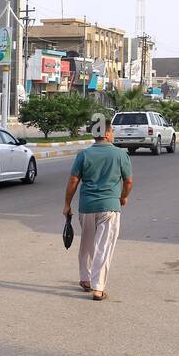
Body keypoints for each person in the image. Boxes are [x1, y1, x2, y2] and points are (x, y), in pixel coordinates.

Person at [63, 118, 133, 302]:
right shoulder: (120, 154)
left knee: (86, 243)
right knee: (104, 246)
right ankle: (98, 288)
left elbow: (73, 181)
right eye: (113, 131)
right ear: (108, 133)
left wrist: (67, 204)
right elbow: (128, 181)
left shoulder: (84, 155)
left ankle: (85, 279)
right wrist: (123, 196)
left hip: (86, 207)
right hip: (109, 207)